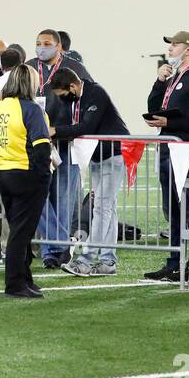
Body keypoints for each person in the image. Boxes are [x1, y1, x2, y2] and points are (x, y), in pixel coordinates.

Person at [144, 30, 189, 282]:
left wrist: (170, 121)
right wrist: (160, 81)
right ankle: (174, 261)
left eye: (175, 44)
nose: (170, 49)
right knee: (171, 209)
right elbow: (153, 107)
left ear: (188, 49)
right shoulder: (173, 78)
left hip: (186, 150)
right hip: (168, 148)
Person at [50, 65, 128, 276]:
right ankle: (108, 262)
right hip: (96, 157)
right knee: (106, 209)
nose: (64, 99)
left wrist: (55, 131)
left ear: (74, 86)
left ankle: (85, 259)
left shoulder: (96, 93)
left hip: (114, 154)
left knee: (102, 208)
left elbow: (87, 127)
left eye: (64, 94)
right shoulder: (76, 99)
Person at [28, 28, 94, 268]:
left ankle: (52, 254)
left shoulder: (75, 68)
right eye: (38, 43)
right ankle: (58, 247)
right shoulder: (28, 68)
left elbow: (89, 97)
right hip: (37, 141)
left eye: (46, 43)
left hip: (67, 142)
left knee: (63, 200)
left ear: (59, 47)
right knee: (37, 196)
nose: (41, 47)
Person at [0, 65, 53, 299]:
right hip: (27, 174)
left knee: (18, 230)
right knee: (21, 234)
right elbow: (42, 146)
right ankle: (15, 283)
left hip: (4, 172)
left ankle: (24, 278)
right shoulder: (32, 109)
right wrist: (43, 174)